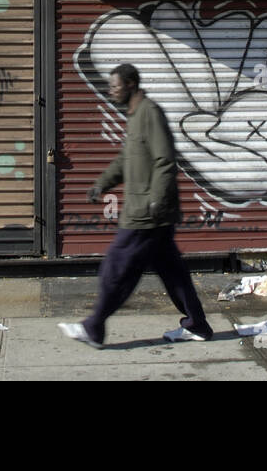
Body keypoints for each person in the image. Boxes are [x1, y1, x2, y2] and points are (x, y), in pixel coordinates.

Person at [58, 63, 213, 348]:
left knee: (116, 269)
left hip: (147, 213)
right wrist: (102, 183)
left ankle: (93, 328)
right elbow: (125, 160)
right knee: (173, 273)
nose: (110, 91)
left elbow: (165, 160)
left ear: (130, 84)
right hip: (151, 212)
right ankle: (197, 325)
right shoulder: (136, 115)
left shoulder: (149, 113)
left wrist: (156, 199)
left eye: (115, 85)